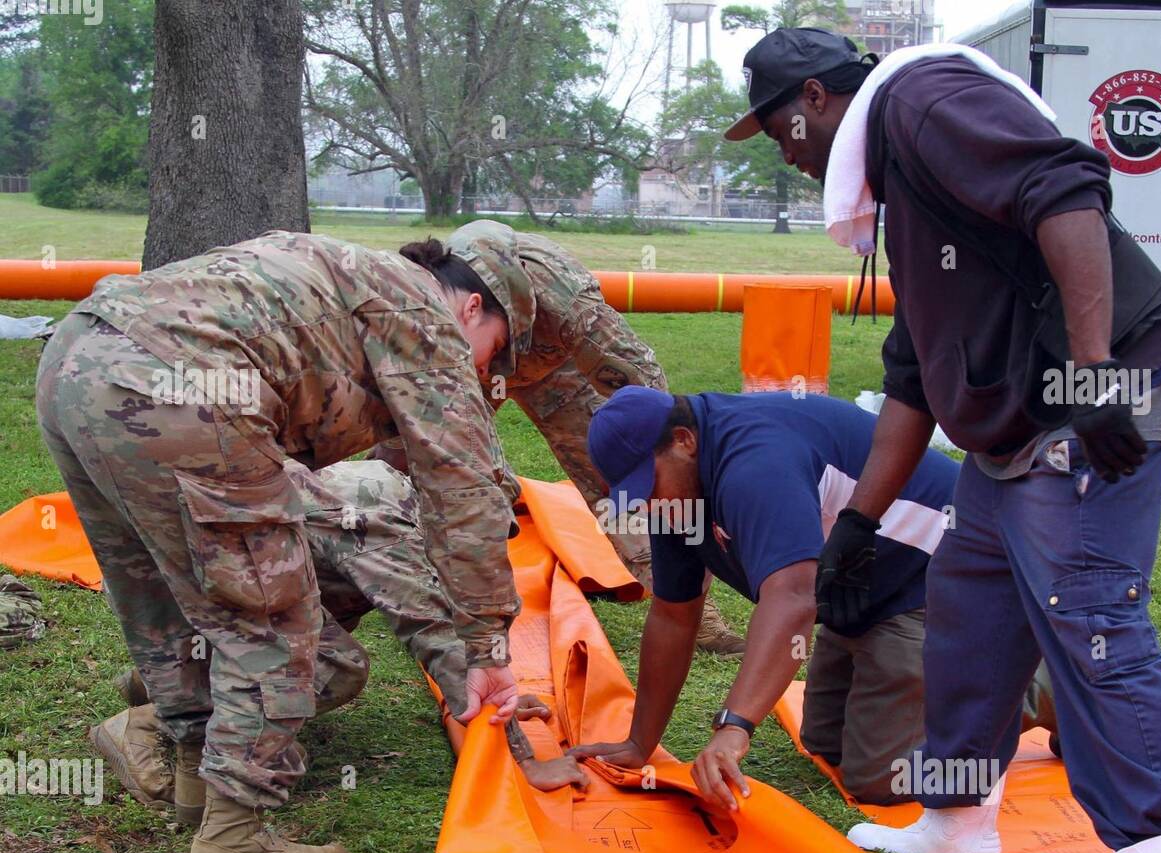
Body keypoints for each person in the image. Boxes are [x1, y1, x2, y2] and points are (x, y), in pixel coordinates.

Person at [726, 27, 1161, 853]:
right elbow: (914, 375)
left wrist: (1092, 372)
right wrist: (857, 526)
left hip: (1096, 396)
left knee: (1090, 624)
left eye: (777, 128)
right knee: (965, 609)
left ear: (810, 98)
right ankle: (960, 820)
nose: (780, 151)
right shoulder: (900, 183)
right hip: (1013, 431)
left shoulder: (922, 100)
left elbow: (1067, 192)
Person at [38, 229, 533, 853]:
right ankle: (234, 843)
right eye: (494, 352)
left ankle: (192, 774)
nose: (483, 374)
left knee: (157, 591)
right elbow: (463, 492)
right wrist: (487, 652)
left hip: (79, 358)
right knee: (269, 620)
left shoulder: (352, 279)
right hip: (179, 387)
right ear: (471, 309)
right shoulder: (427, 324)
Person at [98, 458, 590, 811]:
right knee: (335, 668)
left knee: (316, 626)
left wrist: (495, 704)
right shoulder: (379, 513)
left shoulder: (412, 505)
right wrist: (524, 759)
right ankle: (150, 718)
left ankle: (170, 676)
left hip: (204, 596)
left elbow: (456, 615)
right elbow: (435, 630)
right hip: (183, 597)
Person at [569, 386, 961, 809]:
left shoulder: (755, 463)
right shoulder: (678, 490)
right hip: (864, 591)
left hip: (943, 573)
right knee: (825, 741)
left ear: (684, 441)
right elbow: (673, 616)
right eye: (636, 496)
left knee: (880, 777)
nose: (648, 504)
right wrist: (638, 742)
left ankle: (1019, 688)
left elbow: (793, 598)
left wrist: (733, 727)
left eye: (649, 485)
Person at [371, 220, 746, 655]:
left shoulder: (560, 296)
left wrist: (680, 464)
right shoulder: (432, 295)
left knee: (626, 485)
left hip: (558, 370)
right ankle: (369, 564)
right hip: (471, 365)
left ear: (476, 307)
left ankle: (691, 609)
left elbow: (639, 383)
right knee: (404, 455)